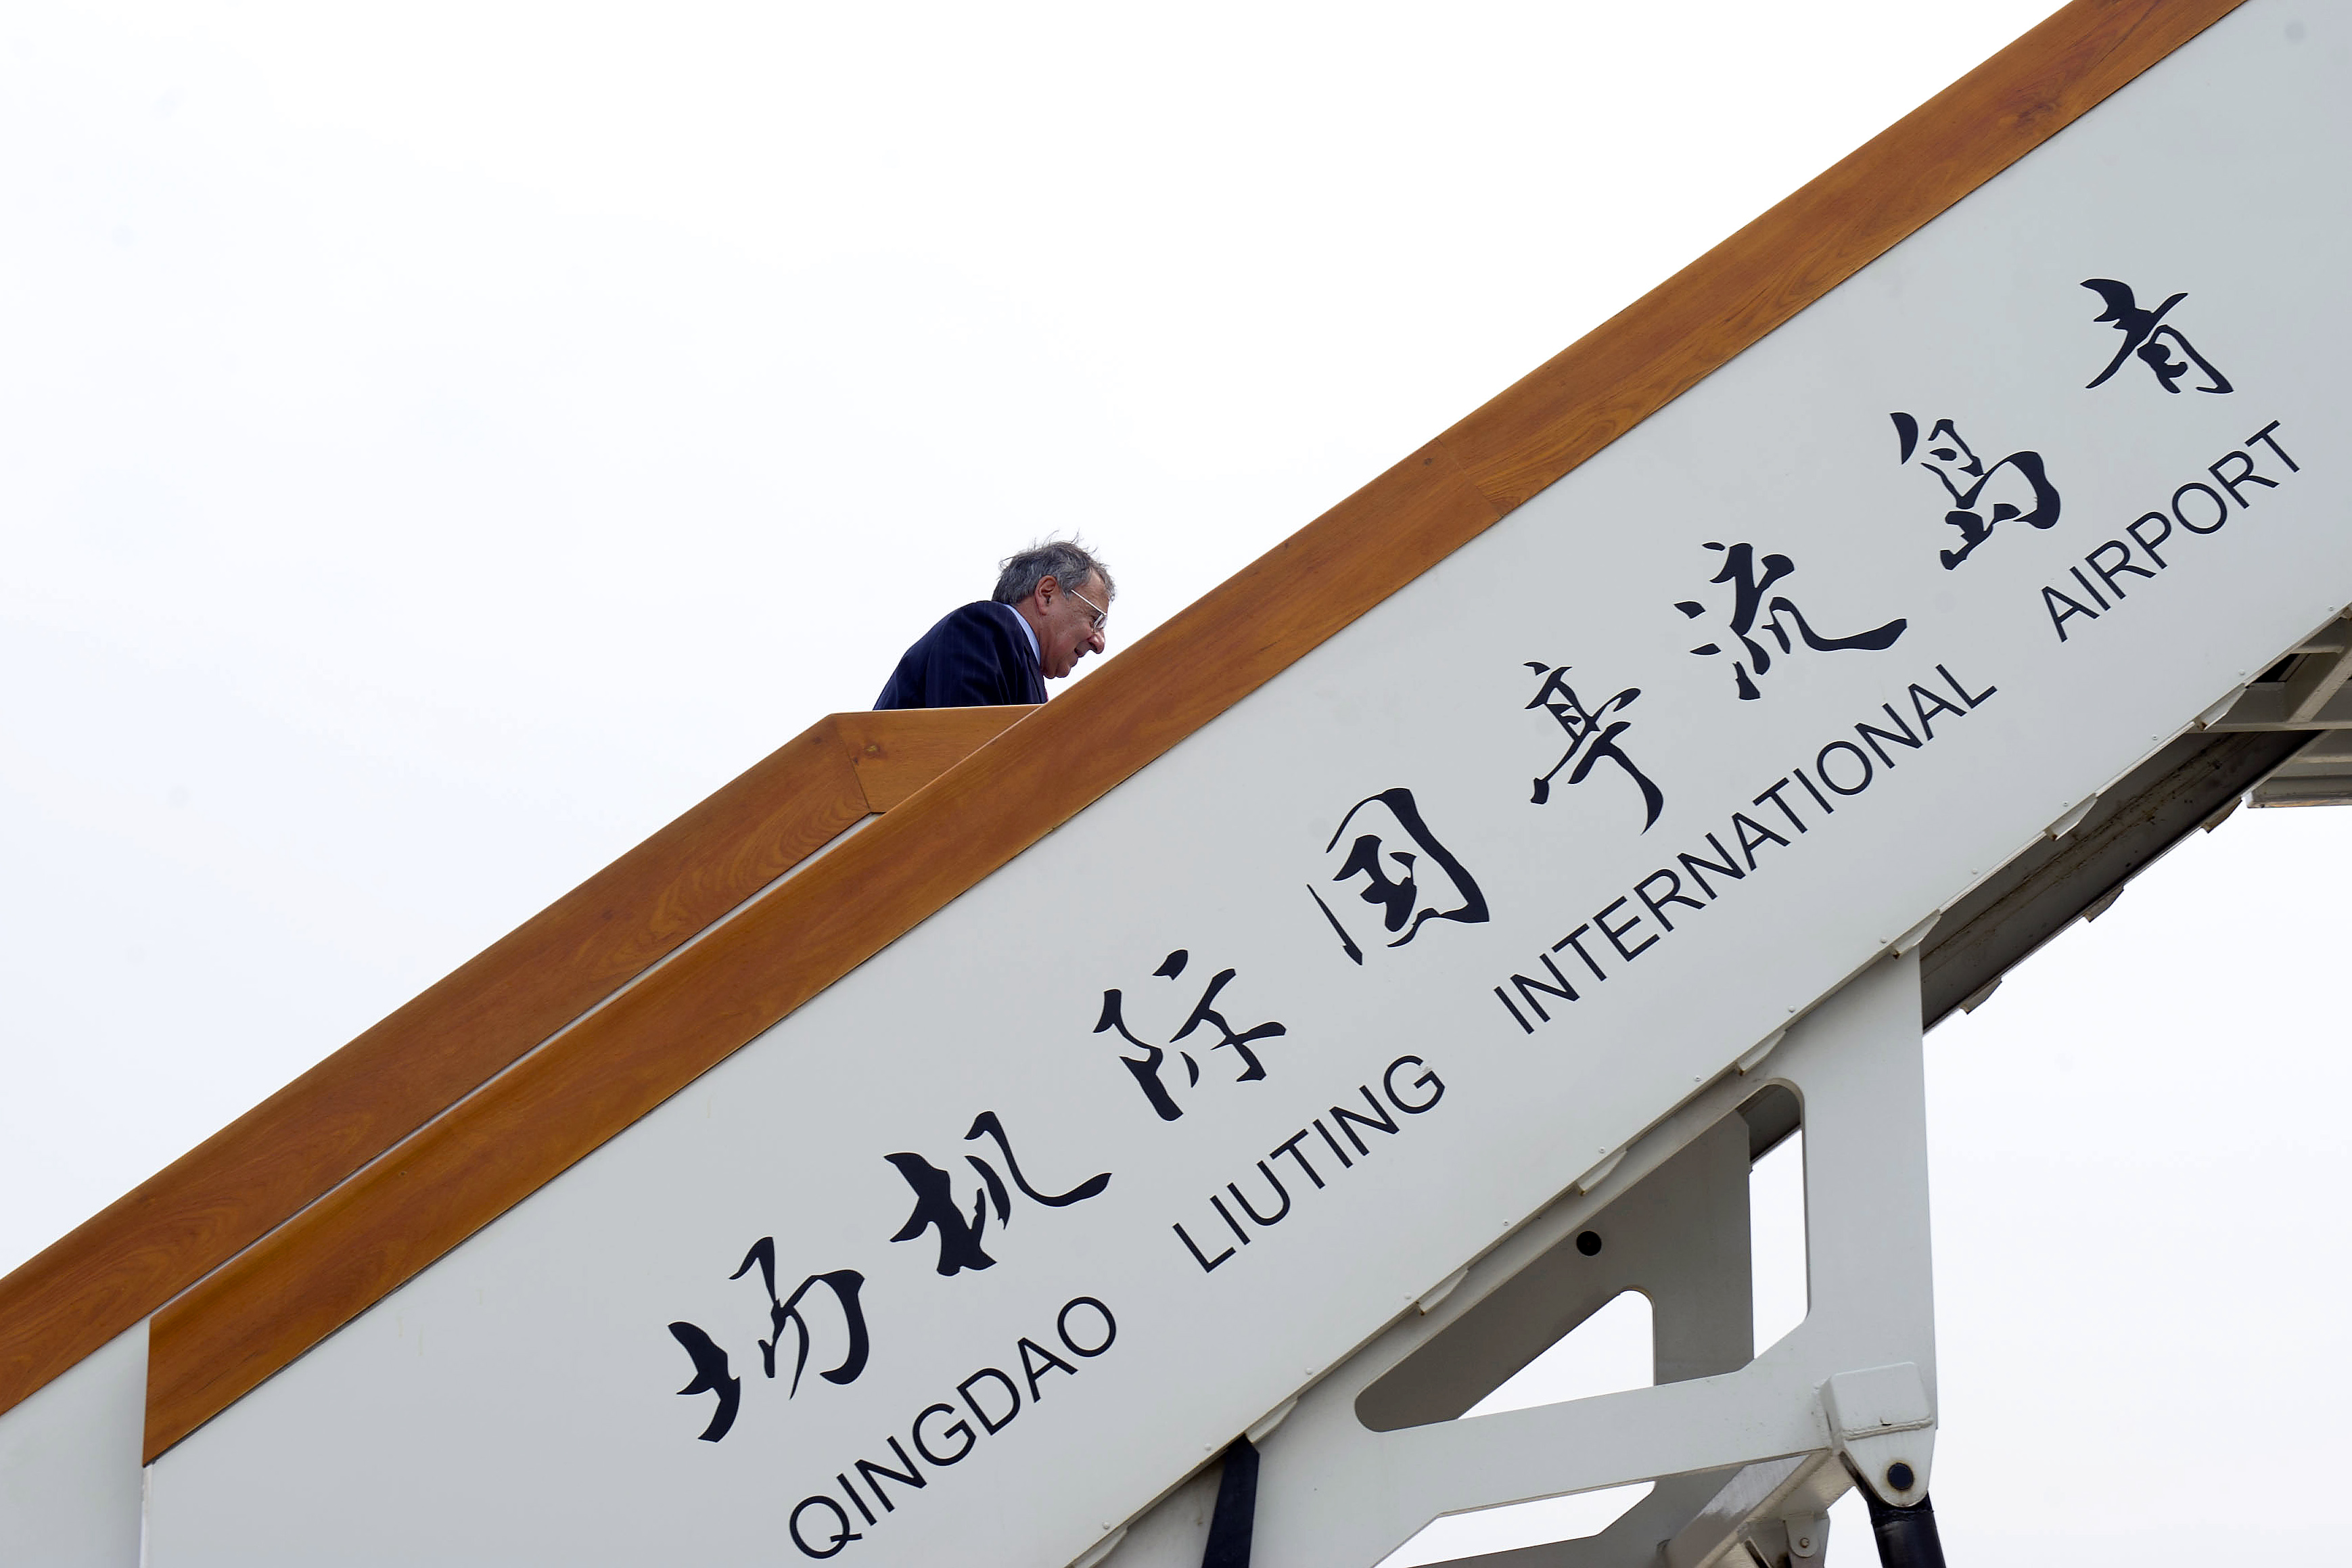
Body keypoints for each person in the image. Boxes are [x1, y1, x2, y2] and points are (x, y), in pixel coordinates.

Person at [874, 541, 1114, 709]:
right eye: (1095, 620)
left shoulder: (1015, 656)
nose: (1099, 643)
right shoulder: (986, 629)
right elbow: (969, 756)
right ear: (1047, 594)